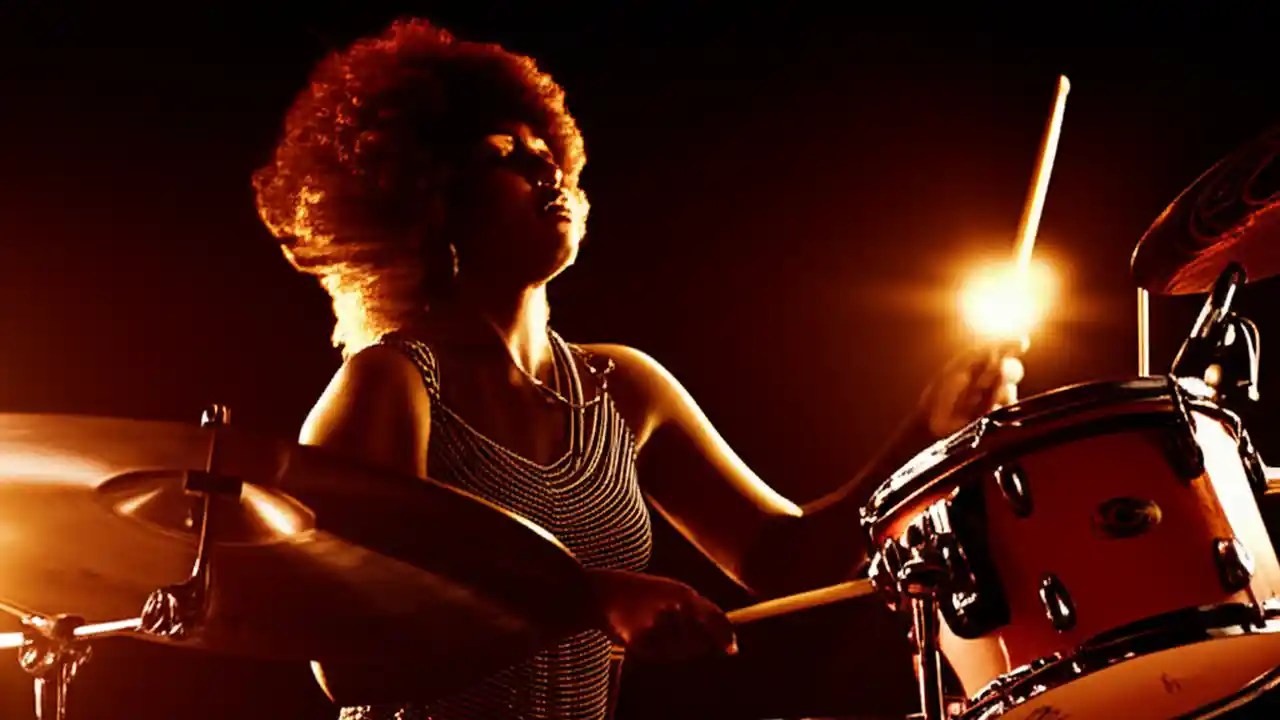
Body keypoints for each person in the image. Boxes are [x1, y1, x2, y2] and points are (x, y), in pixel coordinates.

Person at [252, 16, 1022, 720]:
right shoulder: (391, 386)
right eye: (505, 158)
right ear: (428, 205)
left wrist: (927, 429)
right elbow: (351, 663)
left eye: (548, 152)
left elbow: (784, 560)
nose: (547, 172)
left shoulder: (621, 388)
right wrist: (584, 597)